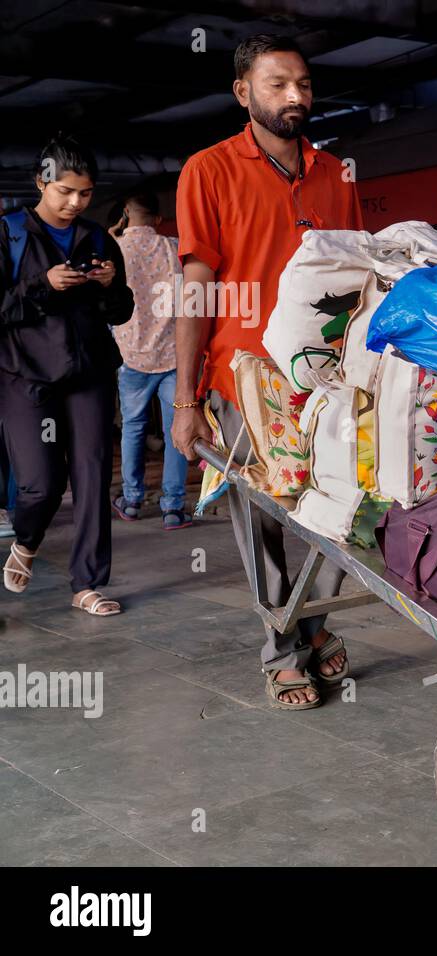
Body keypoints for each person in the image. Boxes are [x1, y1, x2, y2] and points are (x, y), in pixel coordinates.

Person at [171, 34, 364, 710]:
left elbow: (359, 274)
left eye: (304, 85)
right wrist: (185, 397)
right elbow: (197, 284)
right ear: (242, 92)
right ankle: (280, 646)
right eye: (278, 83)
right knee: (260, 518)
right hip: (241, 377)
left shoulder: (337, 173)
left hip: (327, 380)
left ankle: (312, 626)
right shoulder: (209, 169)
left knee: (339, 507)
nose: (295, 97)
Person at [0, 135, 134, 614]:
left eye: (85, 193)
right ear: (42, 183)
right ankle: (27, 542)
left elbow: (120, 313)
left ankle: (88, 583)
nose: (76, 203)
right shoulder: (10, 233)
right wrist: (44, 284)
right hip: (27, 377)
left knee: (94, 474)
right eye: (66, 192)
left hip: (90, 374)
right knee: (39, 483)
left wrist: (110, 286)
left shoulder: (98, 238)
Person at [109, 192, 192, 529]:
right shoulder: (174, 247)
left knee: (133, 427)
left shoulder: (115, 249)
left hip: (132, 355)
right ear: (158, 219)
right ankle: (173, 507)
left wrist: (113, 232)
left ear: (126, 214)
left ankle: (131, 500)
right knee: (178, 430)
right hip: (175, 355)